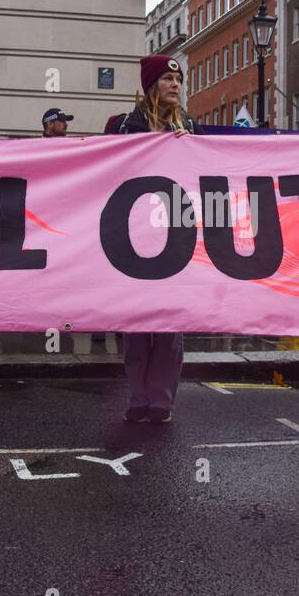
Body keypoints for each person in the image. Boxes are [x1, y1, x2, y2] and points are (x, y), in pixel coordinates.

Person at [105, 55, 198, 423]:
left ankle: (161, 401)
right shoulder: (125, 125)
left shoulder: (188, 126)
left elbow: (199, 178)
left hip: (174, 237)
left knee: (169, 325)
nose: (175, 85)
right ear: (150, 85)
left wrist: (191, 147)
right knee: (137, 323)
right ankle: (138, 398)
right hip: (131, 236)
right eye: (165, 79)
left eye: (178, 80)